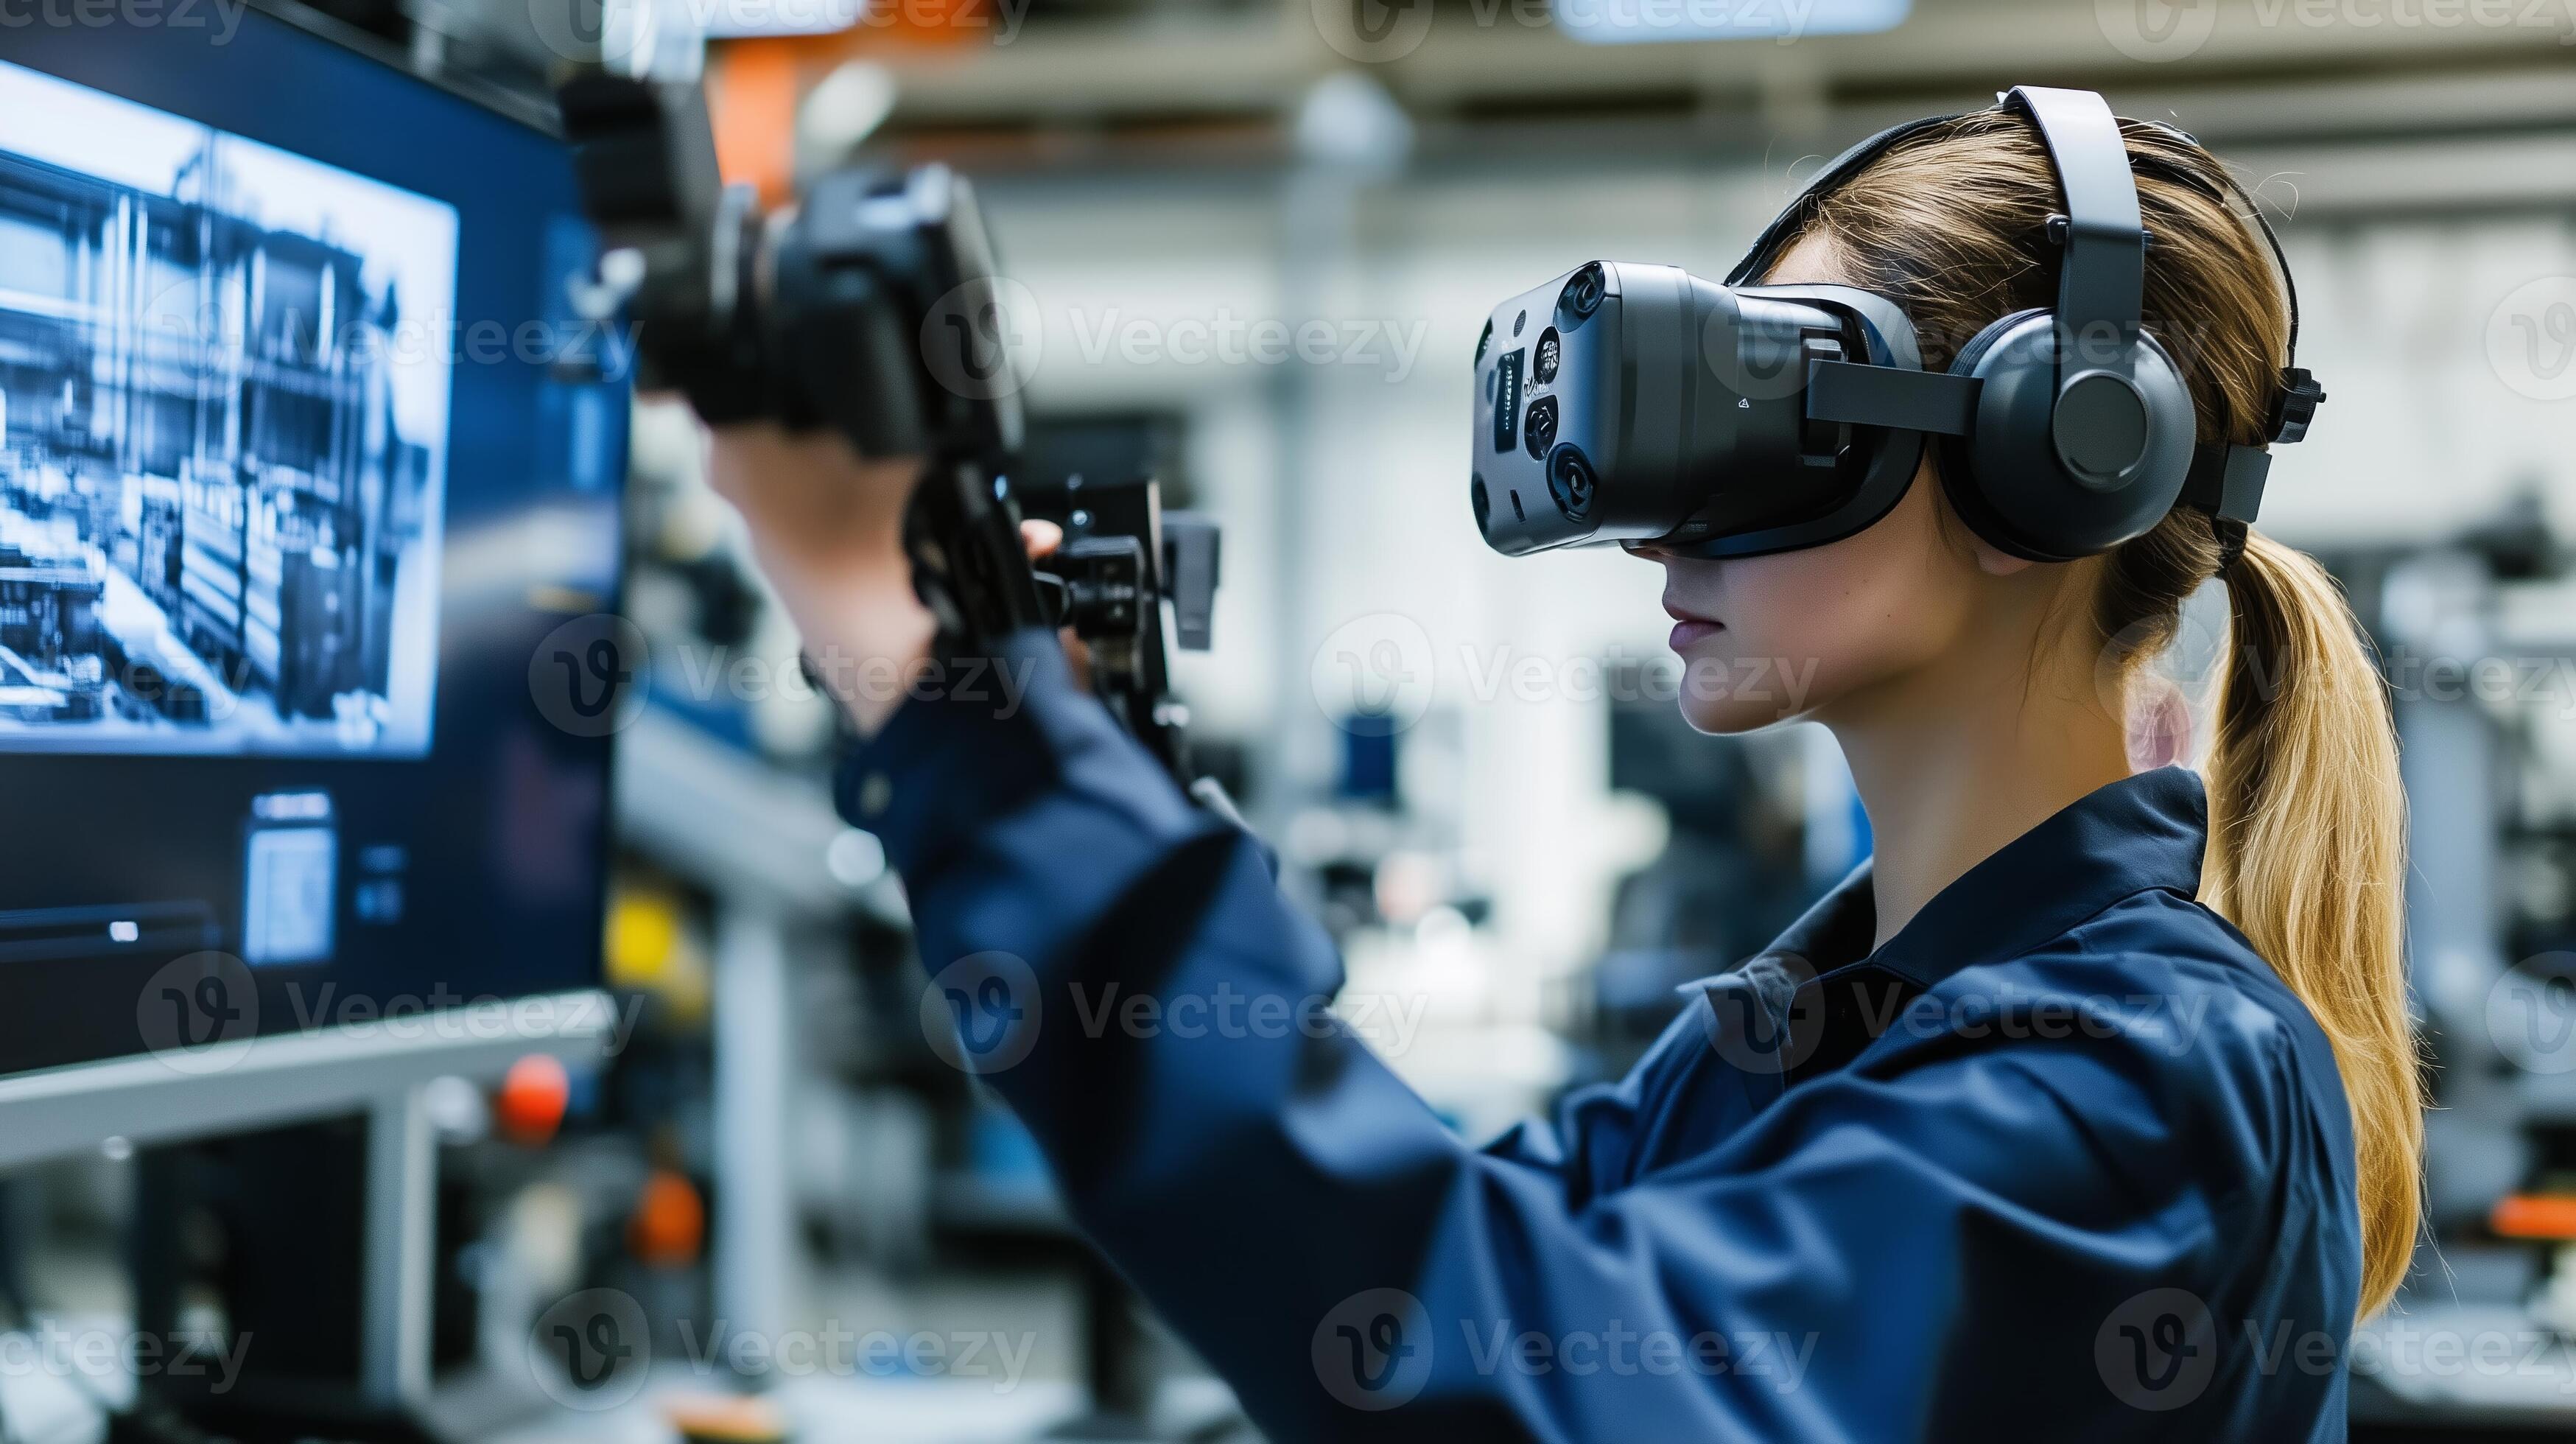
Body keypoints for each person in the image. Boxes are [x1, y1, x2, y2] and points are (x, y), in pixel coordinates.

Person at [692, 100, 2419, 1440]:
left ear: (2057, 464)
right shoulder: (1814, 1024)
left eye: (1780, 401)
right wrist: (1070, 758)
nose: (1667, 526)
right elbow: (1471, 1257)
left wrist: (926, 683)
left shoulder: (2136, 1077)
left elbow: (1516, 1380)